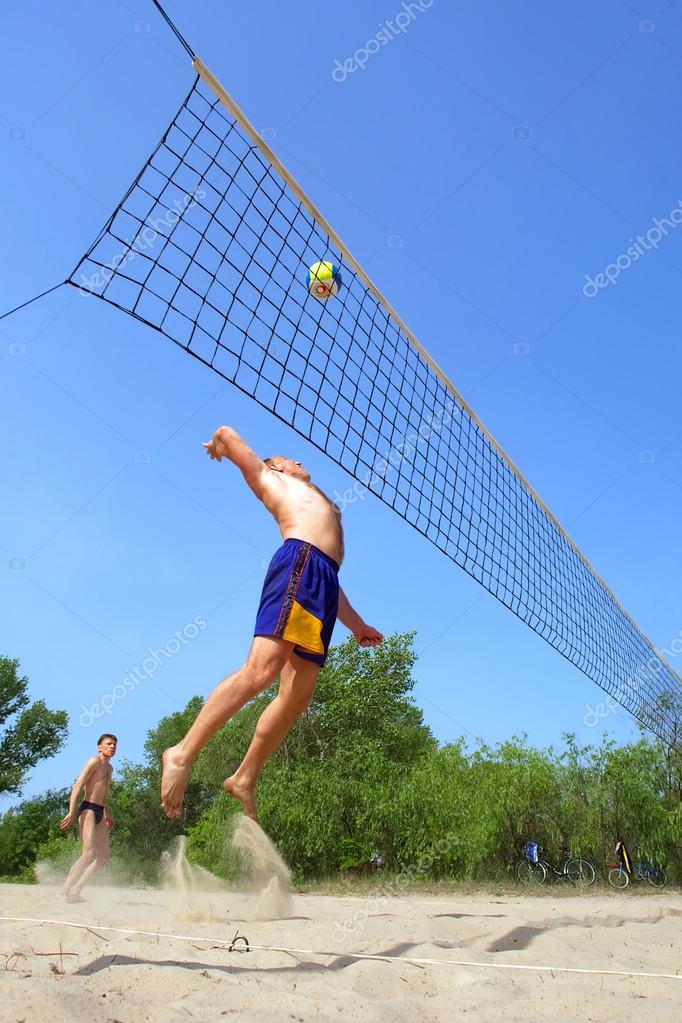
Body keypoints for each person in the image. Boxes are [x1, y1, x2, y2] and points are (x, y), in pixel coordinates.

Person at [161, 425, 383, 821]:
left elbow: (331, 574)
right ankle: (182, 751)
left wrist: (356, 624)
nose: (300, 461)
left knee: (298, 696)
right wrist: (217, 446)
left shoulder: (314, 497)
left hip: (323, 578)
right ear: (277, 466)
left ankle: (244, 777)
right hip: (299, 563)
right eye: (291, 458)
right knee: (261, 671)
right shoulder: (270, 479)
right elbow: (226, 433)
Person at [59, 733, 117, 901]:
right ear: (99, 747)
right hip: (88, 809)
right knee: (88, 854)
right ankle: (64, 892)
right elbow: (78, 785)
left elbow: (103, 793)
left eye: (114, 744)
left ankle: (76, 890)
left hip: (100, 810)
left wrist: (107, 813)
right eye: (108, 744)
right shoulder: (94, 762)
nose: (112, 747)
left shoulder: (110, 768)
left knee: (103, 857)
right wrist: (71, 811)